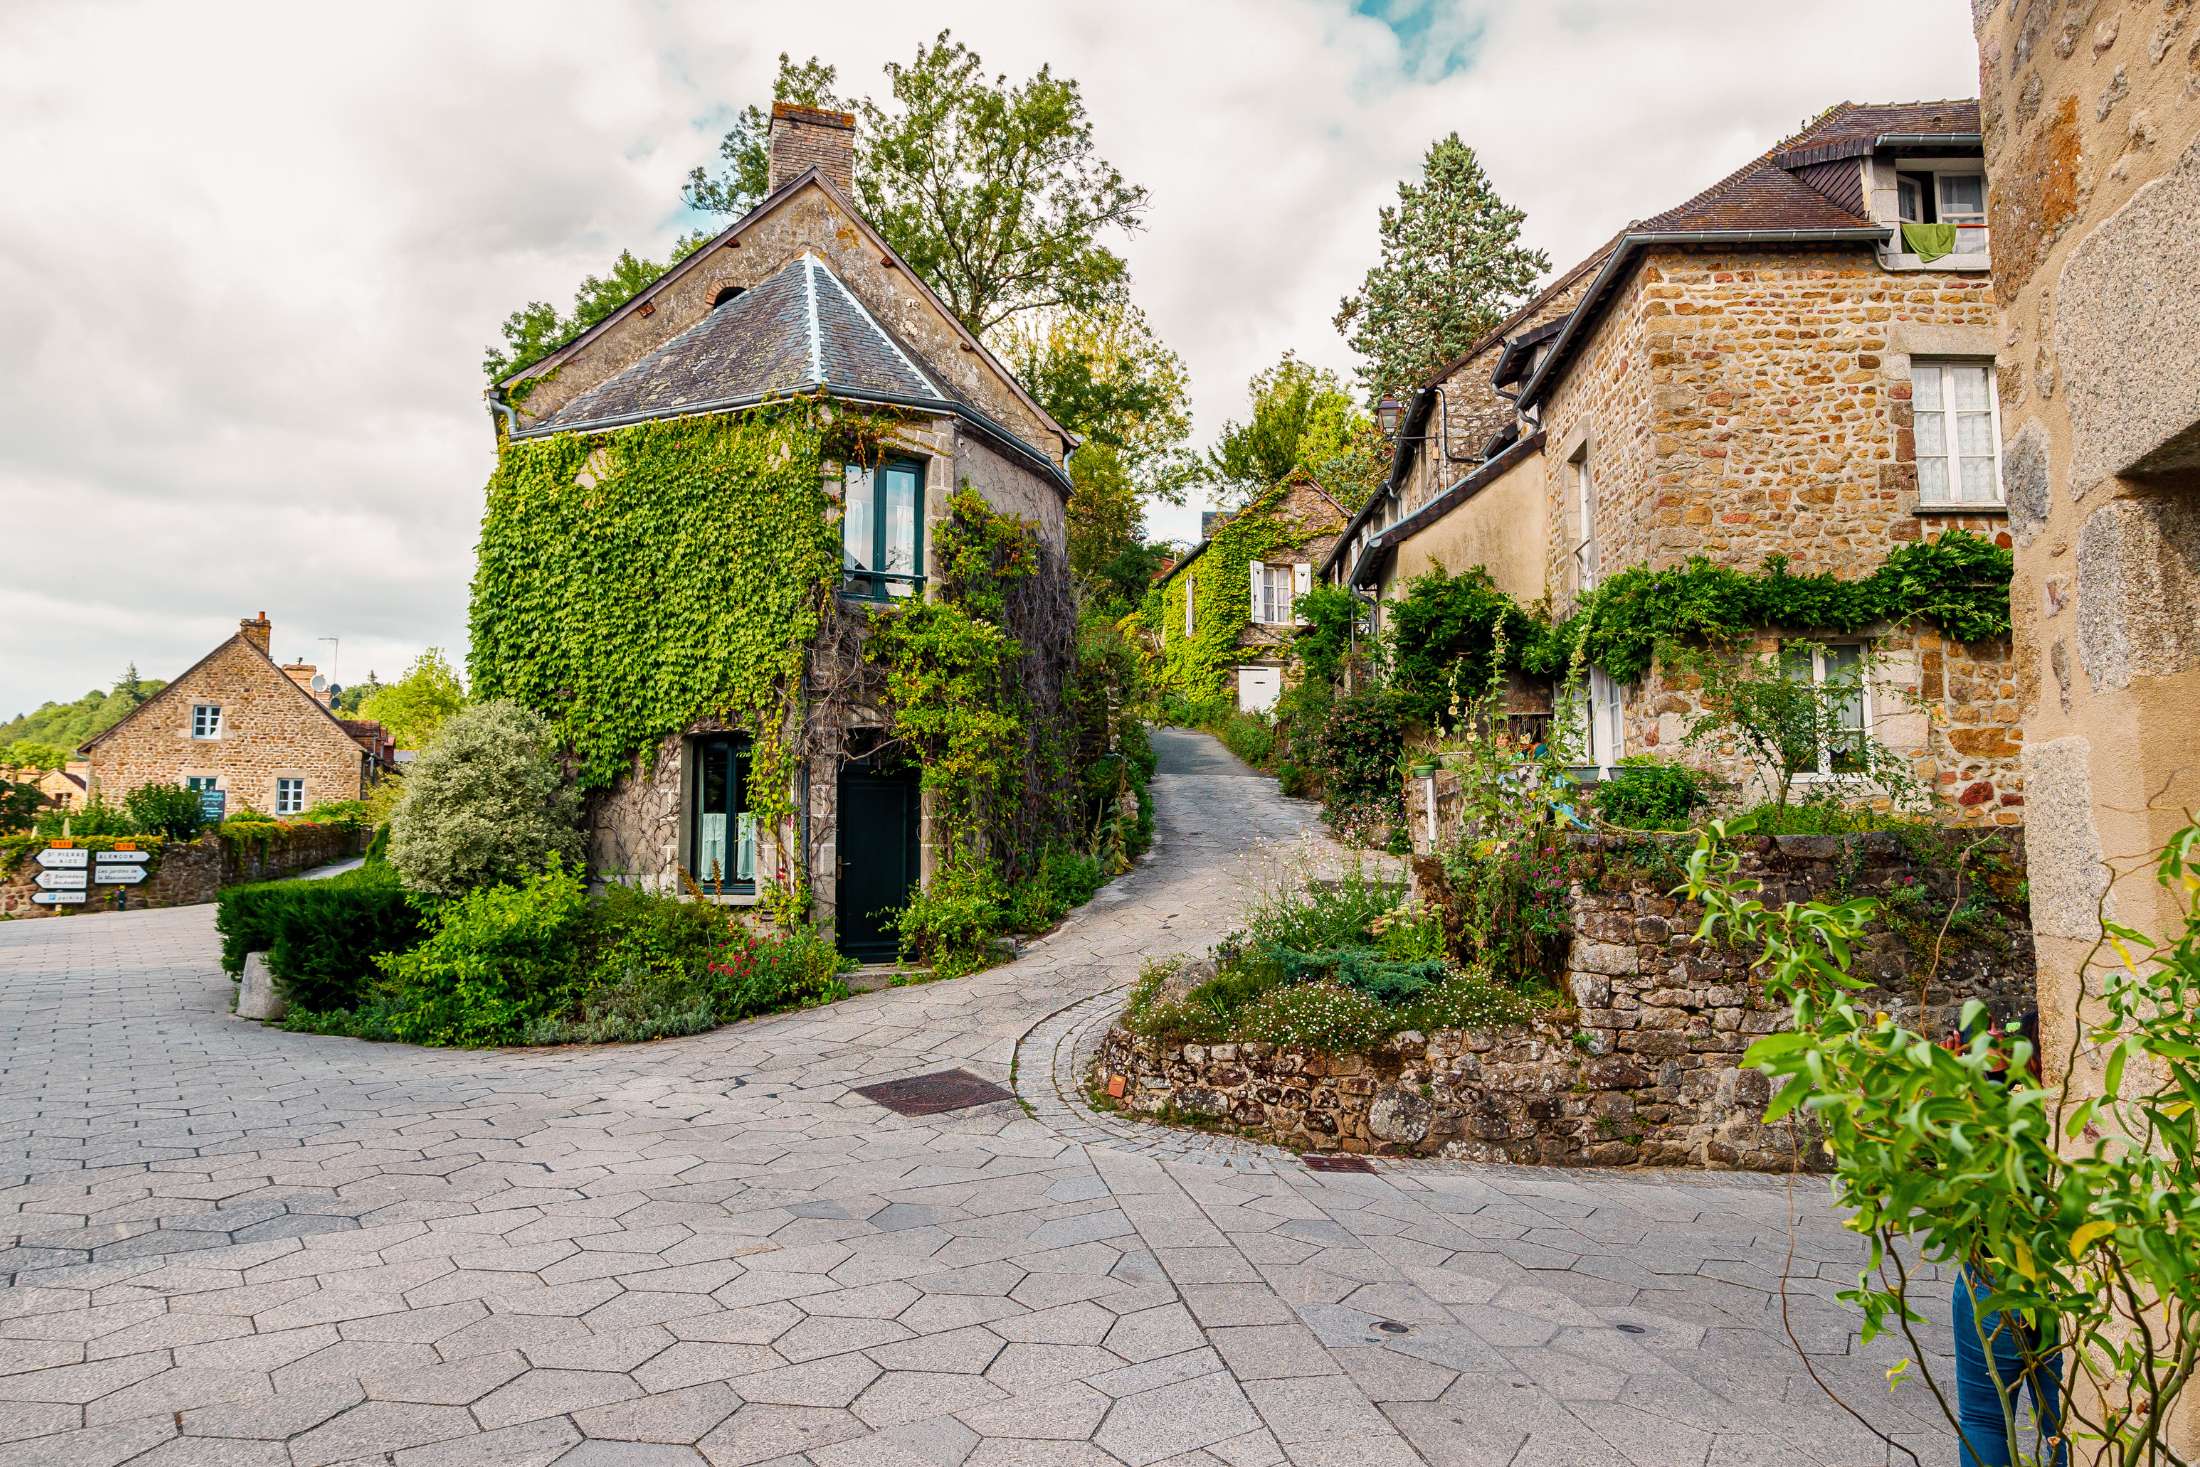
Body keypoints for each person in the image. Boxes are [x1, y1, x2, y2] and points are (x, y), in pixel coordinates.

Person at [1949, 1005, 2066, 1467]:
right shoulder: (2067, 1112)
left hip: (1990, 1277)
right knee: (2066, 1425)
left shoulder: (1984, 1106)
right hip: (2064, 1282)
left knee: (1984, 1419)